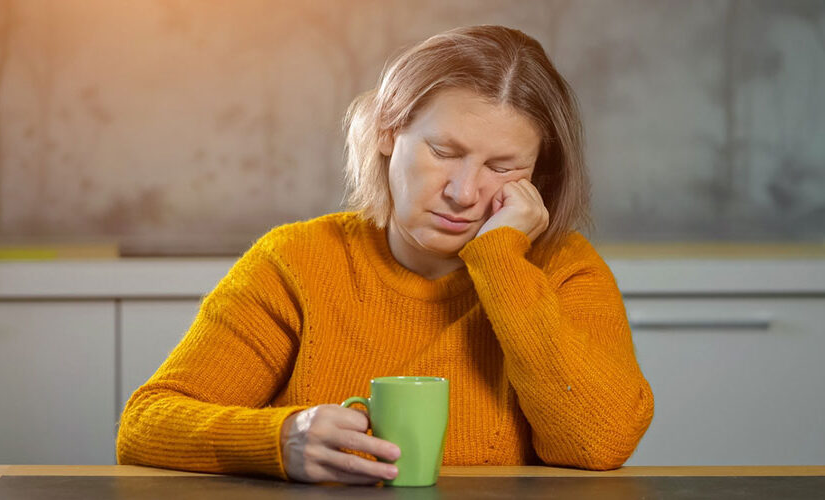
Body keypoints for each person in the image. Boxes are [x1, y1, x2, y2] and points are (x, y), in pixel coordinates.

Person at [116, 24, 654, 484]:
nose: (464, 192)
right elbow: (145, 425)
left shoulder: (565, 269)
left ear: (538, 176)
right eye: (445, 152)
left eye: (503, 167)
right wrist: (280, 440)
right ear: (387, 132)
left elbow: (596, 444)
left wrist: (502, 261)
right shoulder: (297, 261)